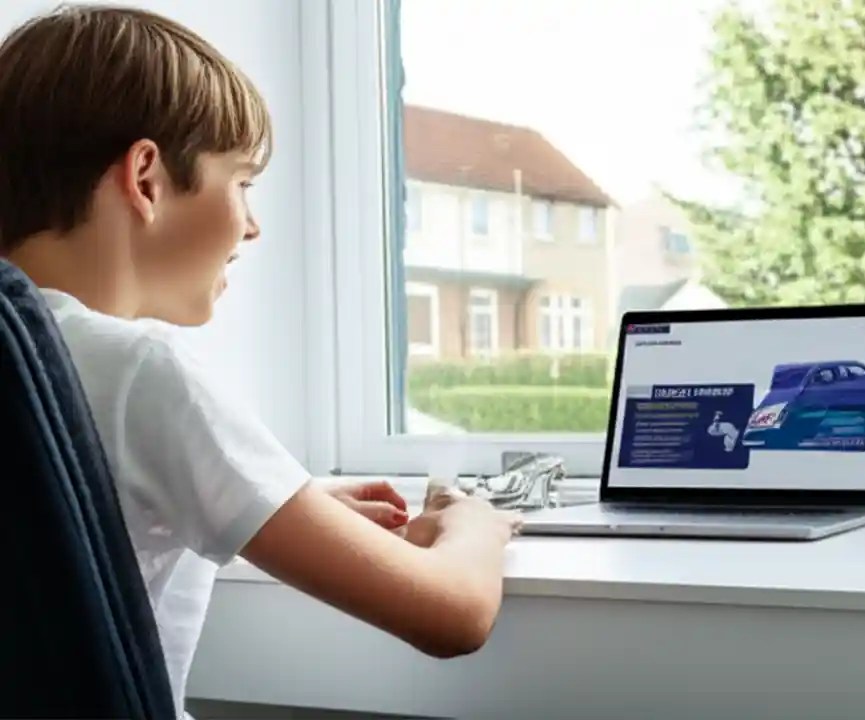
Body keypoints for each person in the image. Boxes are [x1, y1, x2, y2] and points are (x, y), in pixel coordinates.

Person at [0, 6, 521, 718]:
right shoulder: (140, 372)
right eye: (241, 181)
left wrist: (272, 503)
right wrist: (478, 528)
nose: (252, 223)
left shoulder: (27, 361)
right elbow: (452, 614)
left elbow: (69, 531)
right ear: (146, 178)